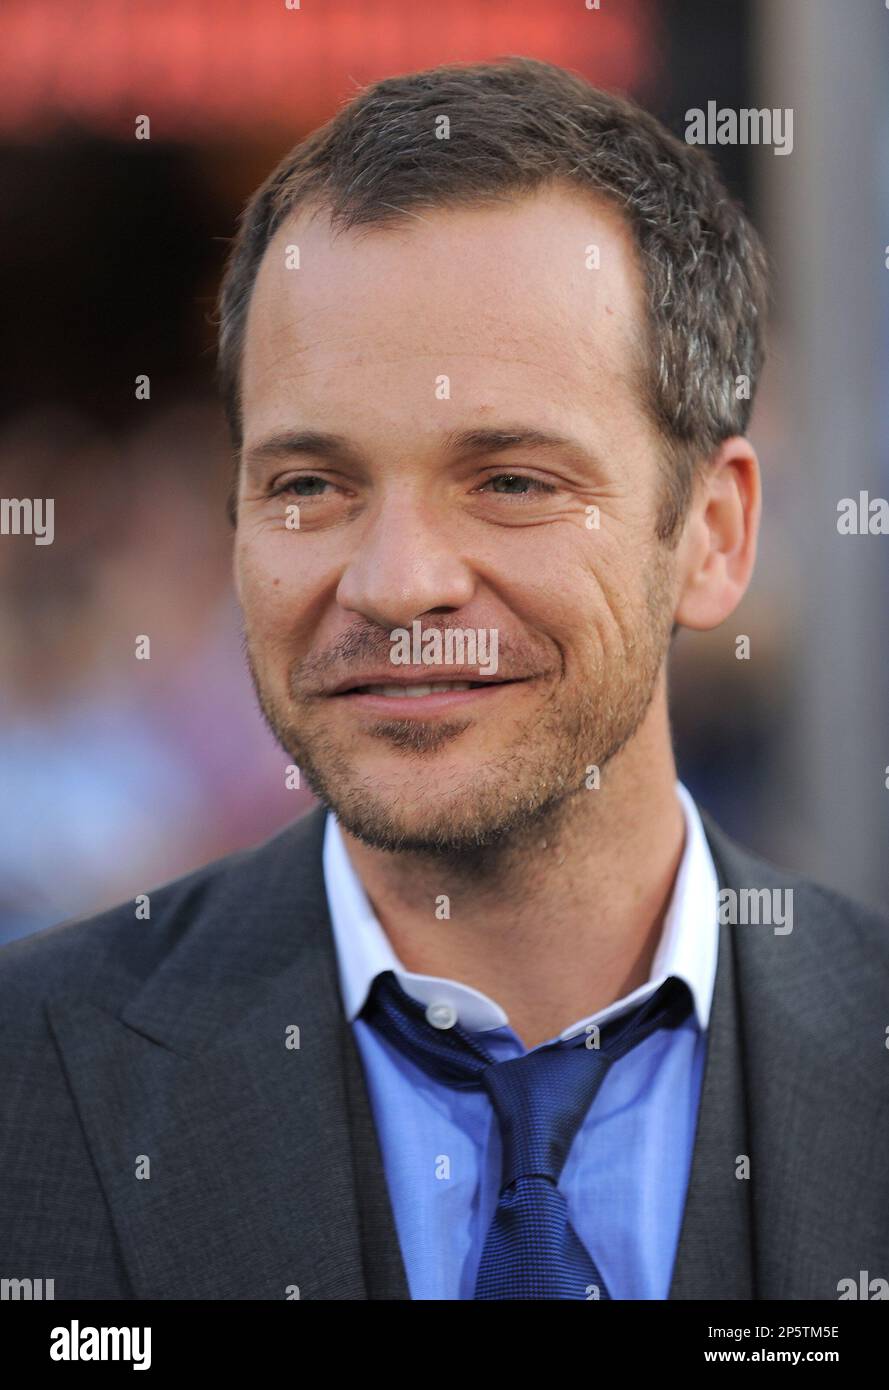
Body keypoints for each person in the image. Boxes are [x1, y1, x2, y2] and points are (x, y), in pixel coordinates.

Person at [2, 57, 887, 1302]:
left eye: (511, 481)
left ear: (715, 534)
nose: (395, 582)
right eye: (311, 485)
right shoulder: (28, 1086)